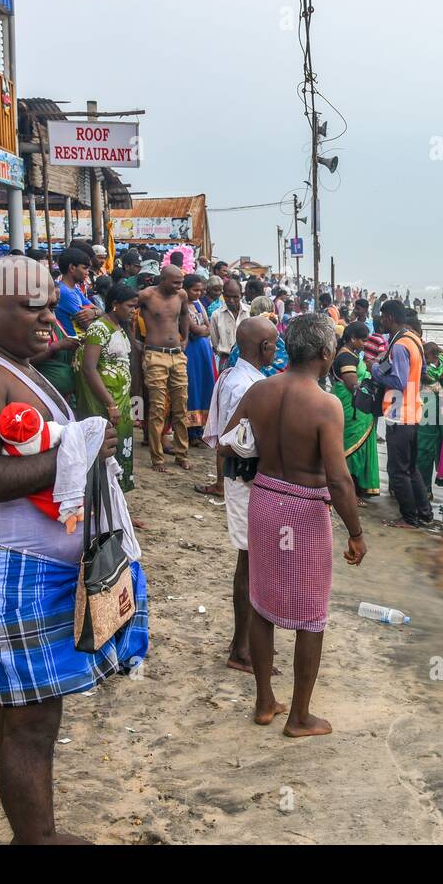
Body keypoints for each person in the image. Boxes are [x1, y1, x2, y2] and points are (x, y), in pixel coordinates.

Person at [0, 256, 148, 843]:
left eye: (51, 305)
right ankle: (37, 839)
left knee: (27, 706)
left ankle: (33, 835)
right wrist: (80, 451)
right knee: (31, 715)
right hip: (11, 569)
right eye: (32, 306)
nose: (47, 316)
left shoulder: (15, 365)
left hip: (33, 567)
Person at [223, 314, 367, 737]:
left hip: (265, 499)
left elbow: (231, 441)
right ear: (325, 354)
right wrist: (356, 533)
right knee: (311, 615)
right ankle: (299, 716)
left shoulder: (259, 390)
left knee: (261, 603)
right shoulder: (326, 404)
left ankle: (265, 701)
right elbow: (339, 479)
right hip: (305, 510)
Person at [205, 316, 278, 672]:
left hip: (247, 480)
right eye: (273, 344)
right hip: (245, 480)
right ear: (264, 348)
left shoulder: (245, 378)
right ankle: (242, 649)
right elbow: (231, 442)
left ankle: (244, 642)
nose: (276, 350)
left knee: (253, 562)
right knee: (249, 563)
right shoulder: (241, 384)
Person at [372, 299, 431, 528]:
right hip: (414, 411)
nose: (381, 322)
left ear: (390, 318)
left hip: (399, 414)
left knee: (398, 471)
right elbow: (423, 372)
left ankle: (409, 518)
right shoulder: (414, 339)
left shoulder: (398, 346)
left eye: (383, 318)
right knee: (411, 467)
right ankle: (424, 513)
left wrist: (376, 370)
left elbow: (398, 381)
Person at [76, 282, 138, 491]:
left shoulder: (119, 327)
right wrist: (110, 404)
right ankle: (104, 506)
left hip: (121, 398)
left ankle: (119, 503)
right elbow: (89, 368)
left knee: (122, 448)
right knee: (106, 450)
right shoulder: (99, 329)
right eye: (130, 306)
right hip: (105, 401)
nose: (133, 311)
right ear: (115, 304)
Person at [140, 264, 191, 471]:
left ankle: (182, 454)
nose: (179, 286)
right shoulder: (147, 296)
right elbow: (124, 309)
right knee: (157, 408)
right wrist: (135, 341)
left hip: (177, 355)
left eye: (181, 283)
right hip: (155, 354)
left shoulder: (181, 295)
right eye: (175, 282)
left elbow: (185, 315)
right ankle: (157, 458)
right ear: (163, 279)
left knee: (181, 407)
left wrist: (185, 338)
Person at [331, 322, 380, 502]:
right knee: (351, 448)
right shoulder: (346, 358)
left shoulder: (351, 354)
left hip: (358, 408)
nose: (365, 343)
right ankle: (348, 491)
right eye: (363, 340)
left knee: (357, 446)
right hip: (352, 408)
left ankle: (357, 487)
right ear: (352, 339)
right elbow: (353, 385)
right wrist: (372, 378)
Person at [182, 274, 218, 445]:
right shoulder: (183, 306)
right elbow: (195, 329)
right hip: (192, 351)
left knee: (205, 385)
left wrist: (202, 330)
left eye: (200, 290)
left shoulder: (198, 305)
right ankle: (190, 430)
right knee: (192, 386)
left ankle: (201, 428)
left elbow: (208, 327)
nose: (198, 293)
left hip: (204, 350)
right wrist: (202, 329)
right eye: (194, 290)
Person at [415, 342, 443, 502]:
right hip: (425, 411)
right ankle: (423, 489)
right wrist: (441, 360)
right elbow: (436, 373)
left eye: (426, 357)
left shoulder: (431, 366)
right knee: (423, 451)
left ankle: (424, 490)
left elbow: (440, 371)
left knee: (426, 451)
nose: (424, 360)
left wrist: (440, 360)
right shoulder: (429, 368)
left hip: (431, 412)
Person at [53, 248, 97, 338]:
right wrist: (97, 313)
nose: (87, 272)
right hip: (72, 345)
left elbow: (95, 309)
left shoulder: (75, 289)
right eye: (84, 268)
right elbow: (88, 323)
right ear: (72, 268)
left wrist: (95, 313)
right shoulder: (65, 292)